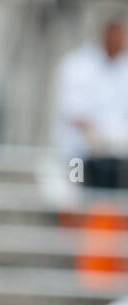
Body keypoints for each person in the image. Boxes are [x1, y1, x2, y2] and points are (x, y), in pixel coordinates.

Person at [55, 14, 128, 189]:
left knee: (115, 204)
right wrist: (102, 139)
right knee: (75, 200)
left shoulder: (124, 67)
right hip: (77, 154)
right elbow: (74, 112)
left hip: (118, 157)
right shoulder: (77, 65)